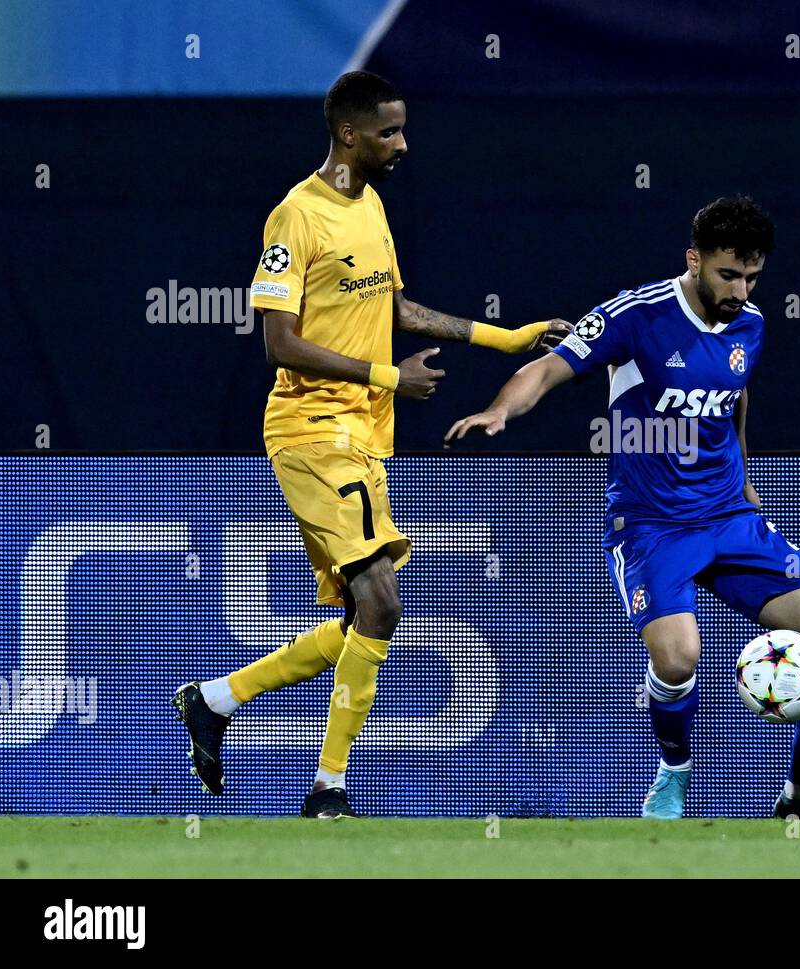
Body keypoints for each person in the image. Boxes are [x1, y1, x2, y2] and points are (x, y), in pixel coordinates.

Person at [172, 70, 569, 819]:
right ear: (349, 134)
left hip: (361, 434)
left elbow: (396, 306)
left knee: (363, 616)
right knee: (382, 602)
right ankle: (328, 789)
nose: (403, 144)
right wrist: (388, 372)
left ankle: (218, 698)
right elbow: (279, 343)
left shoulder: (374, 205)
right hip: (309, 431)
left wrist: (503, 336)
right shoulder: (296, 217)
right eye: (389, 131)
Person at [445, 196, 800, 819]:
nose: (740, 290)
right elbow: (549, 368)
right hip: (650, 526)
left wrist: (744, 480)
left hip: (728, 517)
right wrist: (502, 408)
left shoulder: (752, 324)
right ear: (694, 259)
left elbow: (733, 400)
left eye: (751, 278)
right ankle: (674, 773)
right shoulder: (635, 315)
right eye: (727, 274)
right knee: (678, 657)